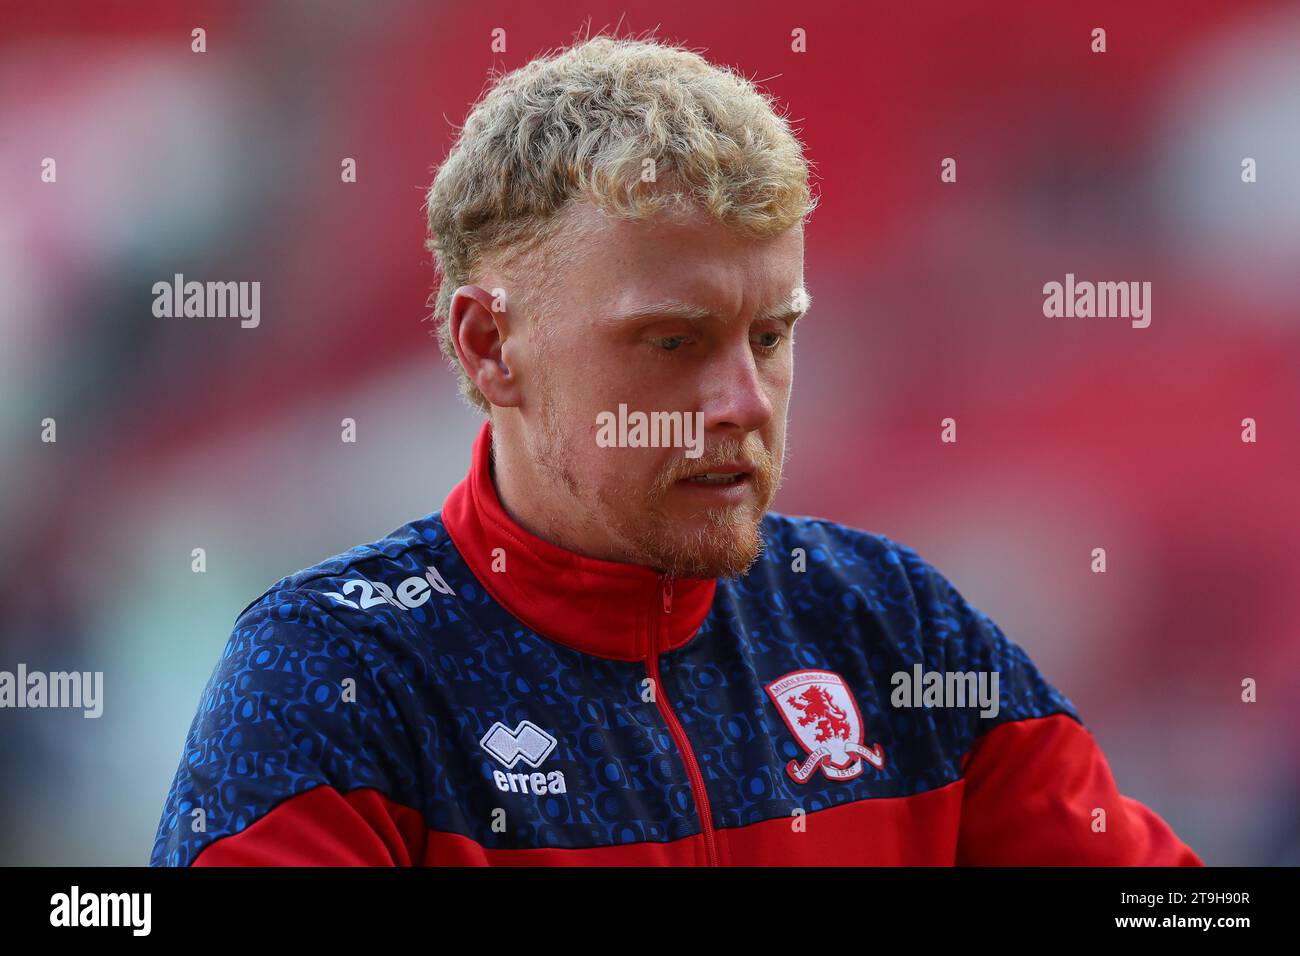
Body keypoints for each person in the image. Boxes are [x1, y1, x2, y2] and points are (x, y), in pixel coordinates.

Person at [151, 35, 1201, 866]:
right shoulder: (338, 675)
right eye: (671, 341)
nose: (743, 400)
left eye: (772, 336)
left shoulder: (892, 627)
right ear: (490, 343)